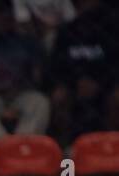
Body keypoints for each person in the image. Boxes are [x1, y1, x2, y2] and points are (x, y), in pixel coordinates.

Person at [0, 1, 51, 150]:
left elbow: (38, 79)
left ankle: (23, 145)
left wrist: (19, 89)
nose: (0, 23)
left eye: (5, 19)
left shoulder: (28, 42)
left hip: (22, 94)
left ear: (12, 19)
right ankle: (1, 149)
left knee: (40, 102)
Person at [48, 0, 119, 140]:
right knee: (59, 97)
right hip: (73, 85)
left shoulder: (112, 30)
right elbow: (57, 67)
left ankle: (112, 144)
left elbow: (114, 65)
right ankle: (65, 146)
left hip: (105, 84)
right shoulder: (66, 31)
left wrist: (98, 83)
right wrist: (75, 82)